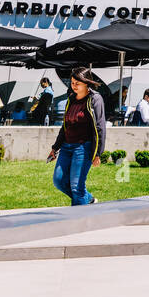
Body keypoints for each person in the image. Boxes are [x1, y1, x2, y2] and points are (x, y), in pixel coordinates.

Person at [48, 67, 107, 206]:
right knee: (59, 181)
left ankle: (79, 222)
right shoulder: (71, 99)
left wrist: (97, 153)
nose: (73, 86)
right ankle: (88, 199)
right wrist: (55, 148)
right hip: (66, 147)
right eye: (72, 82)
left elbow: (100, 127)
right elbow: (65, 126)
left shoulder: (95, 99)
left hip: (83, 148)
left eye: (77, 83)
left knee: (76, 187)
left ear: (86, 83)